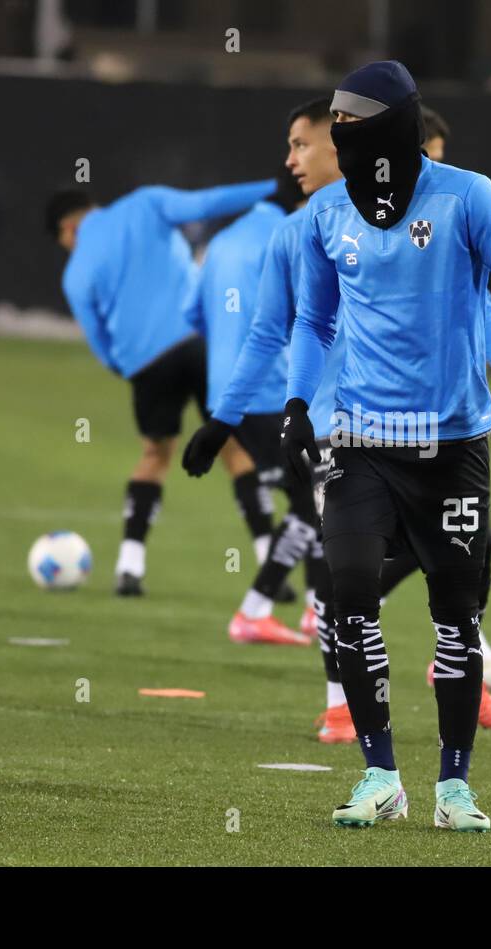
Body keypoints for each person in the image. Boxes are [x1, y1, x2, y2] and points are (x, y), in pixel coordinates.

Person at [281, 61, 491, 830]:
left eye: (357, 127)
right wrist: (299, 402)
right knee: (348, 596)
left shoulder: (468, 196)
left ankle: (454, 787)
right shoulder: (328, 215)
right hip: (362, 441)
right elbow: (314, 321)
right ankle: (379, 776)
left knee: (456, 616)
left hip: (453, 445)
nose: (345, 142)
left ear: (396, 126)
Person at [45, 175, 274, 596]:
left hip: (148, 363)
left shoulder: (75, 271)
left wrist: (128, 366)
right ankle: (267, 562)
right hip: (201, 343)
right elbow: (208, 201)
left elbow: (99, 341)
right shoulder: (145, 203)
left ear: (67, 229)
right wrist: (273, 188)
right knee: (233, 446)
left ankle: (130, 566)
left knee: (155, 454)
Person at [186, 166, 313, 645]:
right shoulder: (292, 235)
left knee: (317, 497)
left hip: (226, 391)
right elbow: (312, 317)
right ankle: (258, 608)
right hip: (273, 391)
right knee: (318, 501)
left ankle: (311, 611)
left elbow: (193, 315)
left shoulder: (223, 240)